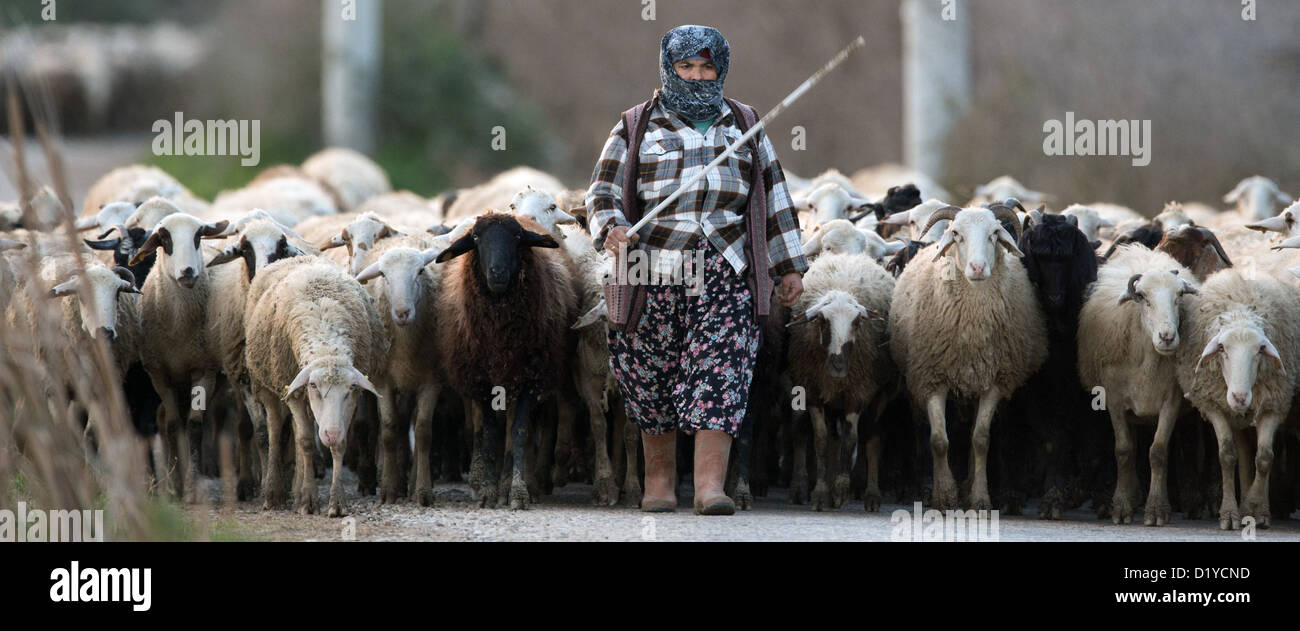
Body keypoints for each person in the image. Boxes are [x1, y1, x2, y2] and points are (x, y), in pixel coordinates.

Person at [585, 24, 807, 515]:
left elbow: (774, 197)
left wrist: (788, 265)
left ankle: (710, 487)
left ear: (721, 69)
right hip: (651, 267)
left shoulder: (744, 124)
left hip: (725, 266)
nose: (697, 75)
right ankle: (660, 482)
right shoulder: (636, 125)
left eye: (707, 66)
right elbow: (601, 192)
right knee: (650, 374)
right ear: (669, 68)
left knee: (722, 369)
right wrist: (612, 229)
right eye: (686, 66)